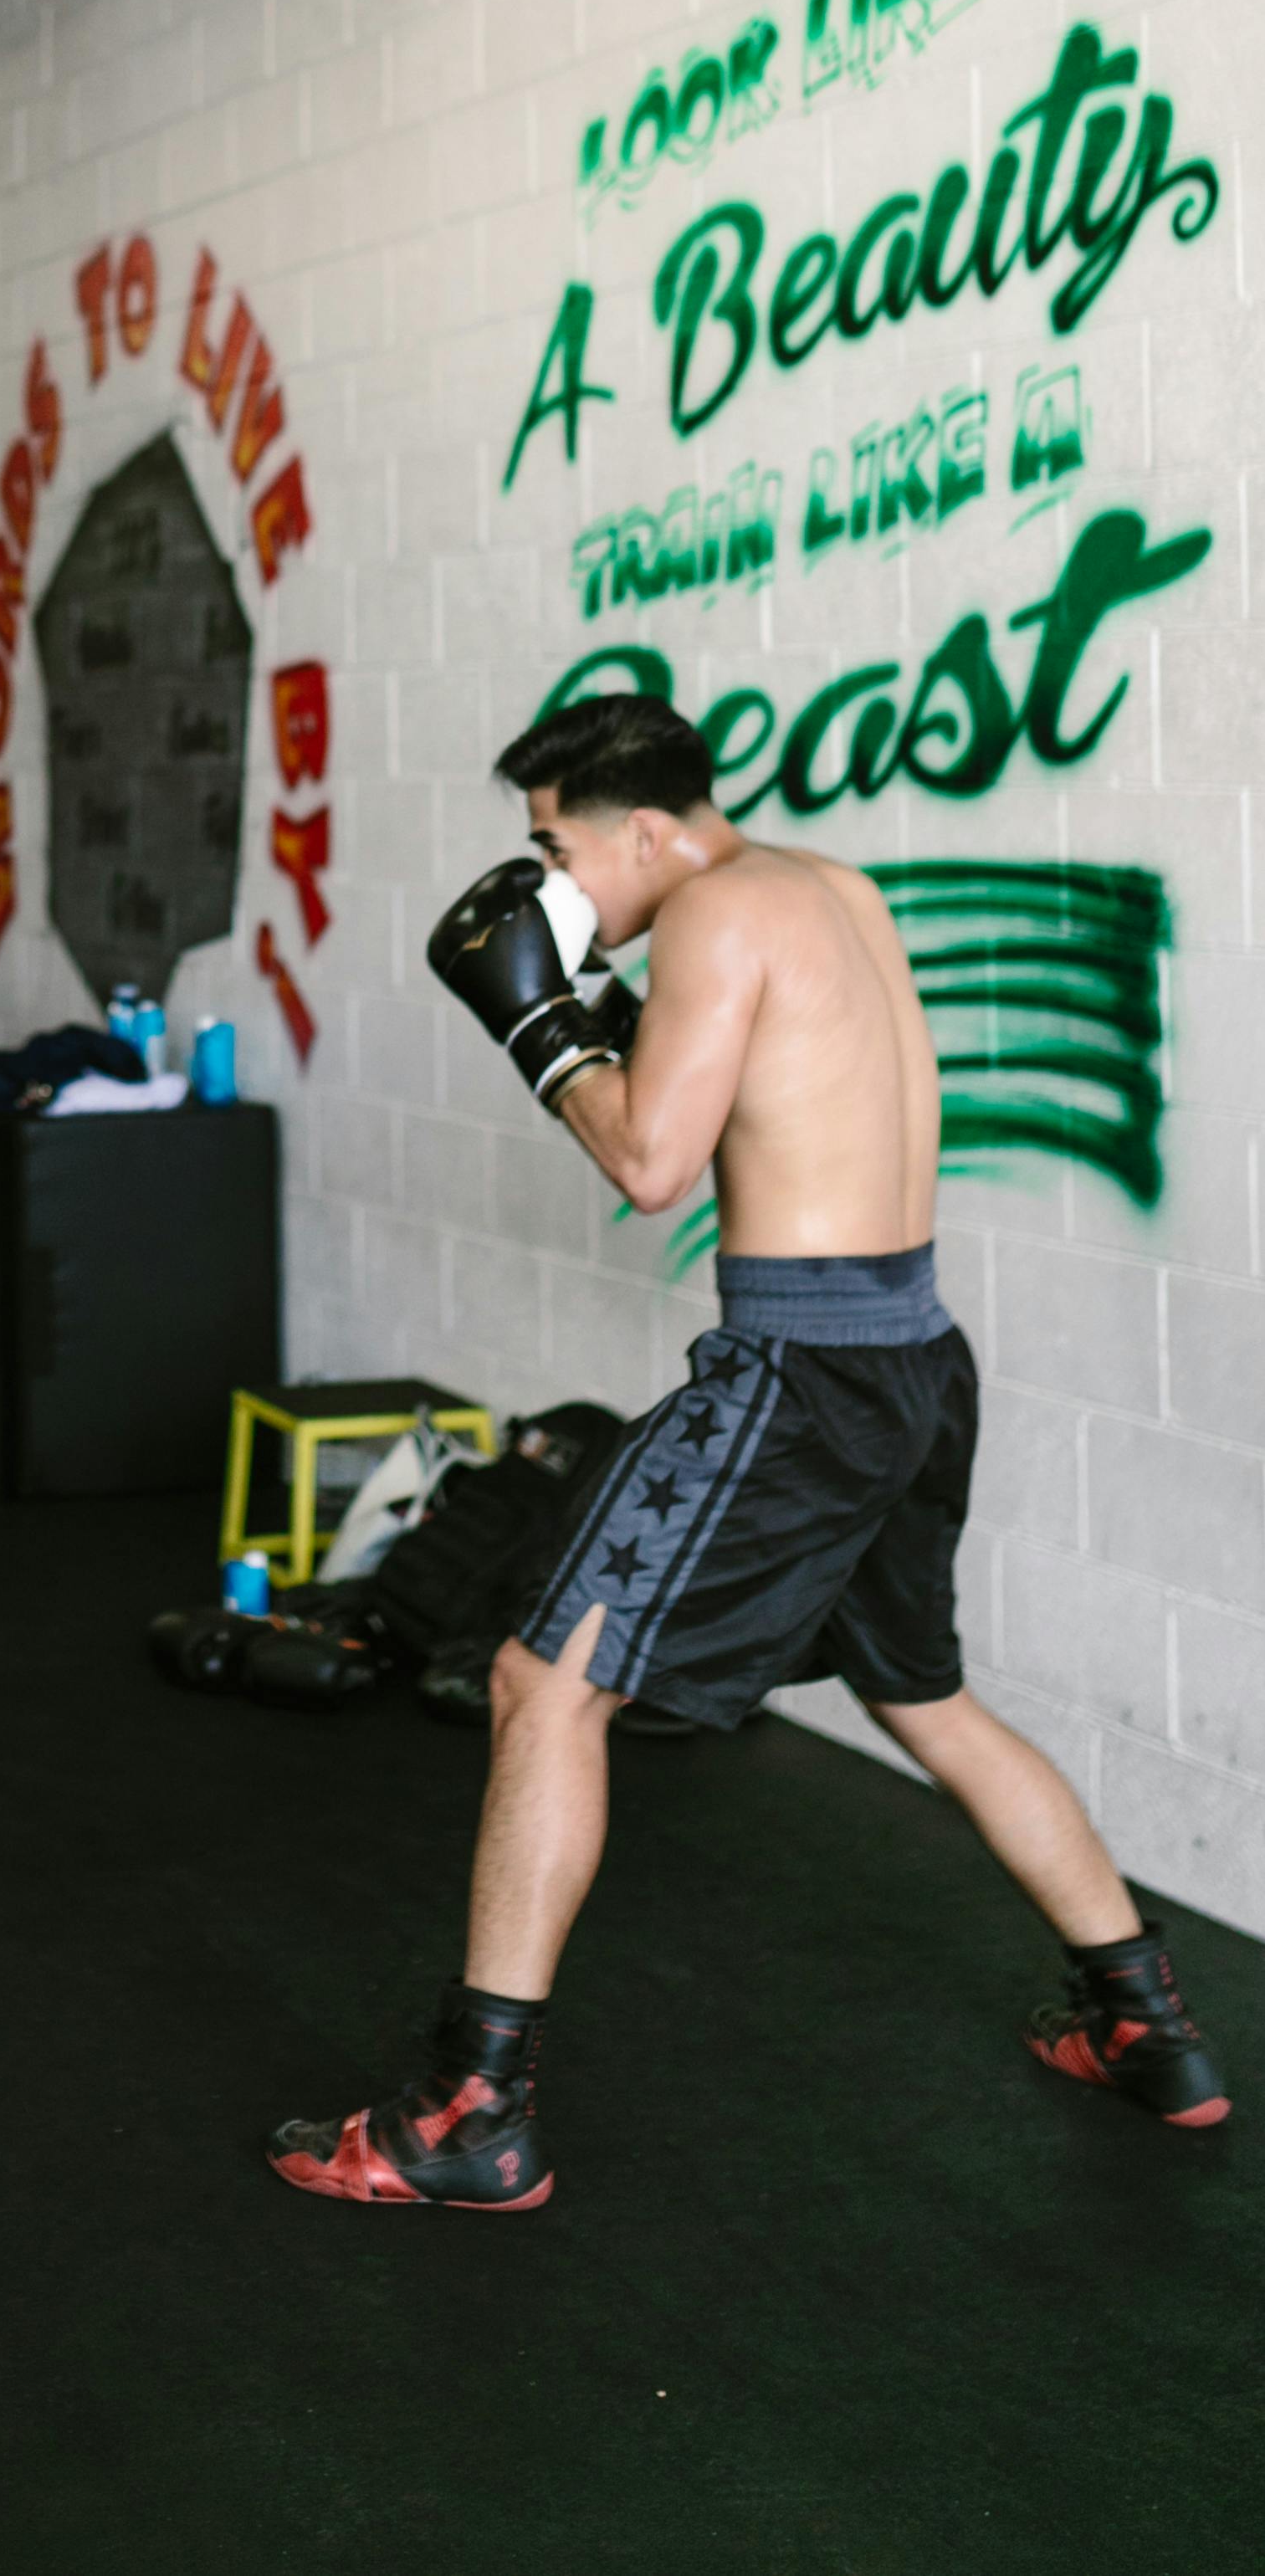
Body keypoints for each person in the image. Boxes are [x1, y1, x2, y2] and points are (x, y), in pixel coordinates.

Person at [271, 690, 1228, 2213]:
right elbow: (761, 1105)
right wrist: (593, 1008)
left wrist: (533, 1015)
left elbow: (654, 1164)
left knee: (542, 1681)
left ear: (646, 829)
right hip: (916, 1353)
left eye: (557, 850)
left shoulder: (714, 911)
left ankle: (470, 2113)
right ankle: (1147, 2025)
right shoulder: (825, 887)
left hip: (804, 1372)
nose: (549, 888)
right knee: (926, 1694)